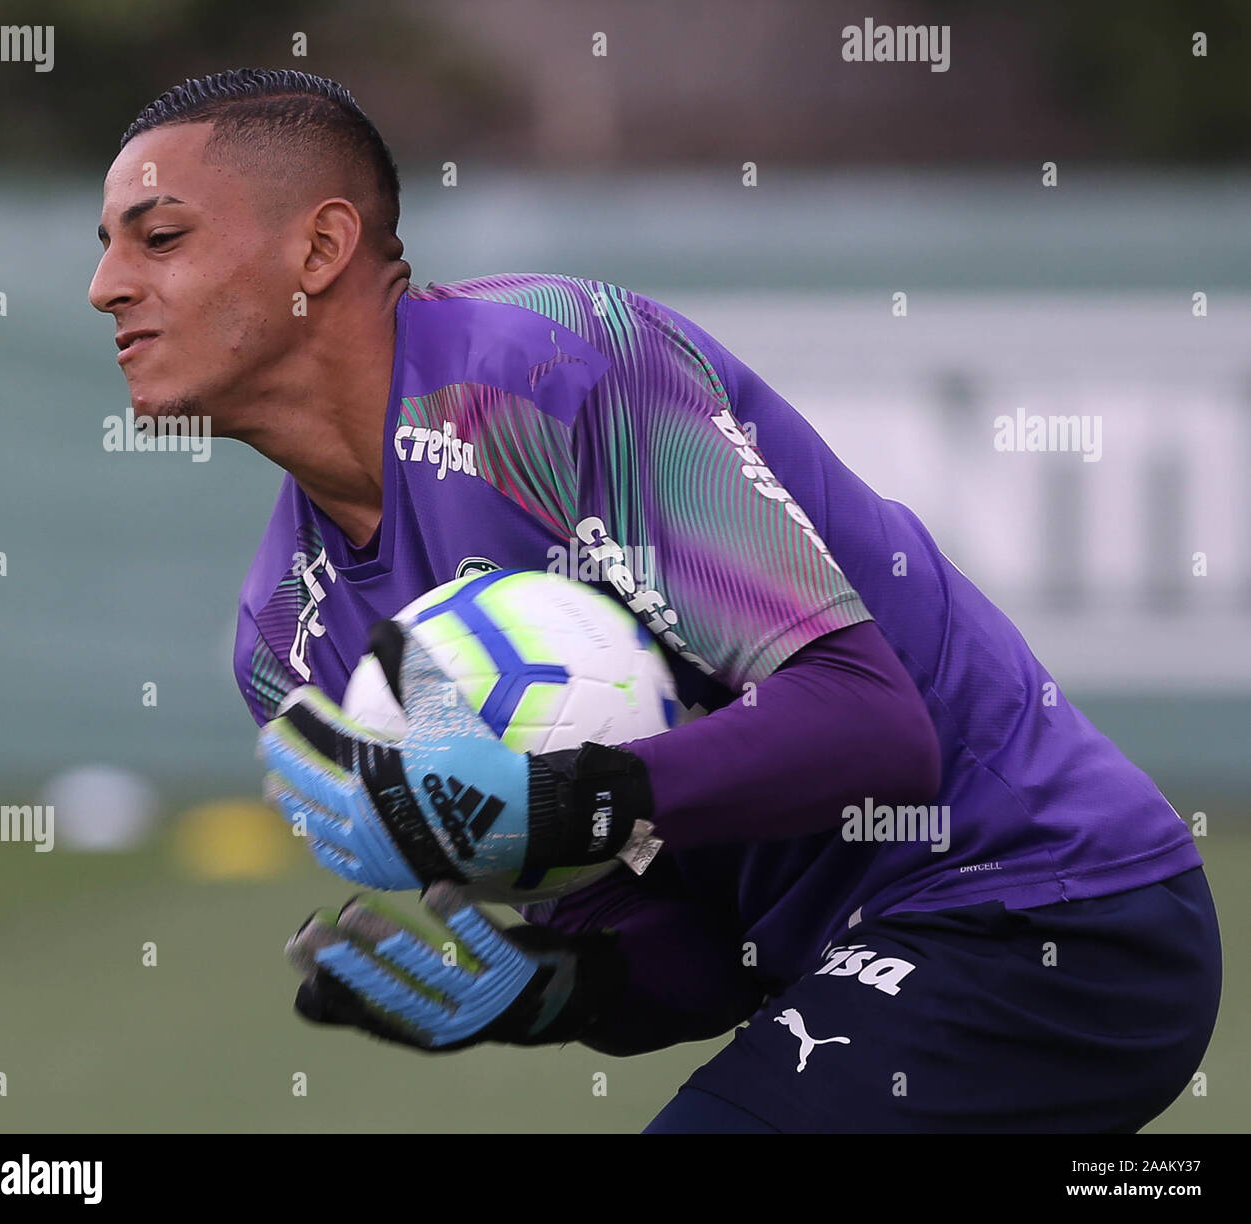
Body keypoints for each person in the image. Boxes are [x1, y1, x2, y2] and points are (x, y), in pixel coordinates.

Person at [90, 68, 1221, 1134]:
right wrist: (562, 986)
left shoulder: (551, 373)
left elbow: (874, 729)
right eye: (105, 250)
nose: (106, 288)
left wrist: (562, 803)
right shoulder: (289, 643)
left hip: (1044, 911)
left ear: (322, 246)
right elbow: (699, 949)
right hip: (841, 967)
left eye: (161, 237)